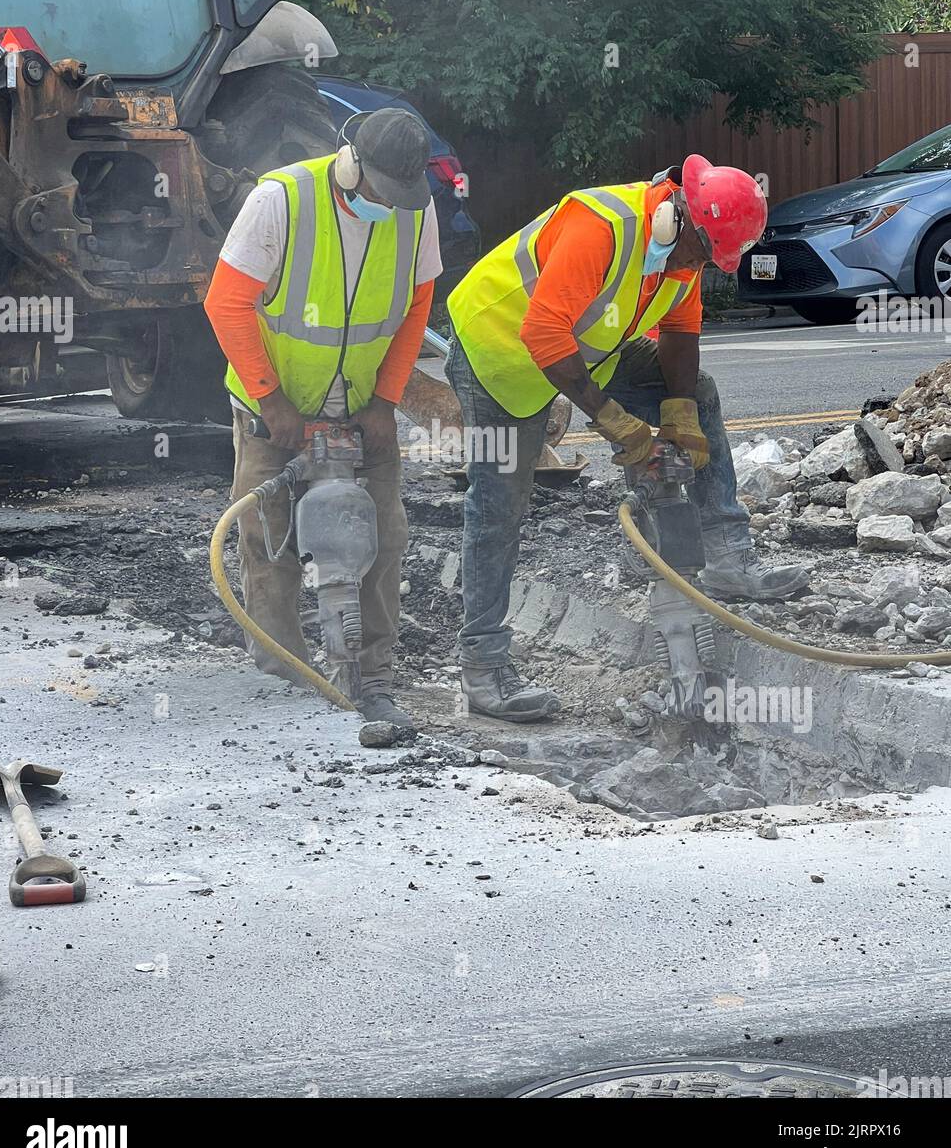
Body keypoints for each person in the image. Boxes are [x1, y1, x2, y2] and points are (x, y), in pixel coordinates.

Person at [445, 155, 810, 723]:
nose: (699, 267)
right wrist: (616, 424)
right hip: (499, 349)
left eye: (711, 261)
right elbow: (542, 332)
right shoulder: (603, 227)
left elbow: (681, 330)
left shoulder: (682, 252)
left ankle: (728, 559)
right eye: (700, 253)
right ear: (678, 216)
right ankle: (484, 667)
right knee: (499, 505)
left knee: (701, 391)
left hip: (587, 344)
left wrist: (680, 414)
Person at [205, 108, 441, 728]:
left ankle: (372, 674)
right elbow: (227, 303)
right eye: (376, 194)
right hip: (273, 404)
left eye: (397, 198)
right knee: (269, 538)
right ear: (349, 162)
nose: (385, 208)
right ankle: (286, 673)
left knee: (384, 537)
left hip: (364, 403)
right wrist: (272, 401)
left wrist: (385, 400)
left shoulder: (415, 211)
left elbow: (418, 304)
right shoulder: (280, 200)